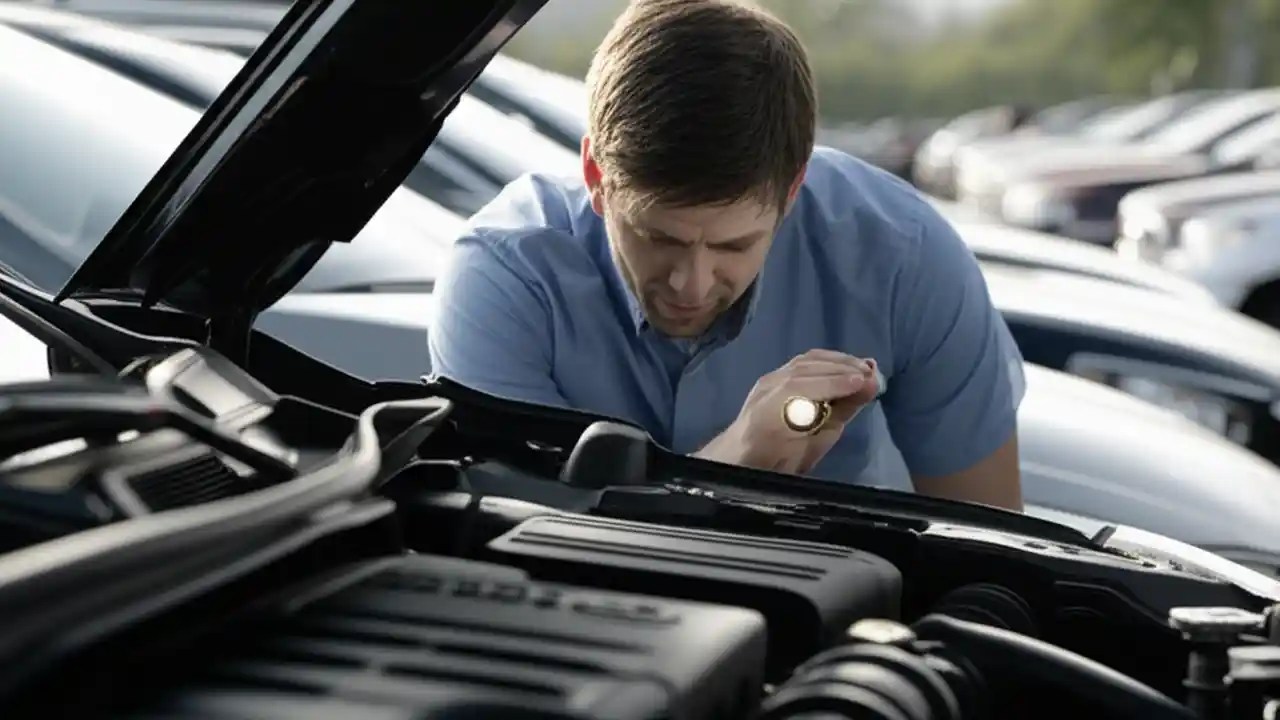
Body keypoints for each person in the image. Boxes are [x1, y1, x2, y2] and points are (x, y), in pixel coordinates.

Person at [429, 0, 1025, 511]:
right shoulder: (504, 277)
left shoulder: (903, 255)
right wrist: (733, 463)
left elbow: (990, 541)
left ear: (792, 191)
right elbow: (514, 547)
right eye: (659, 237)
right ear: (595, 175)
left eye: (734, 245)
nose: (691, 284)